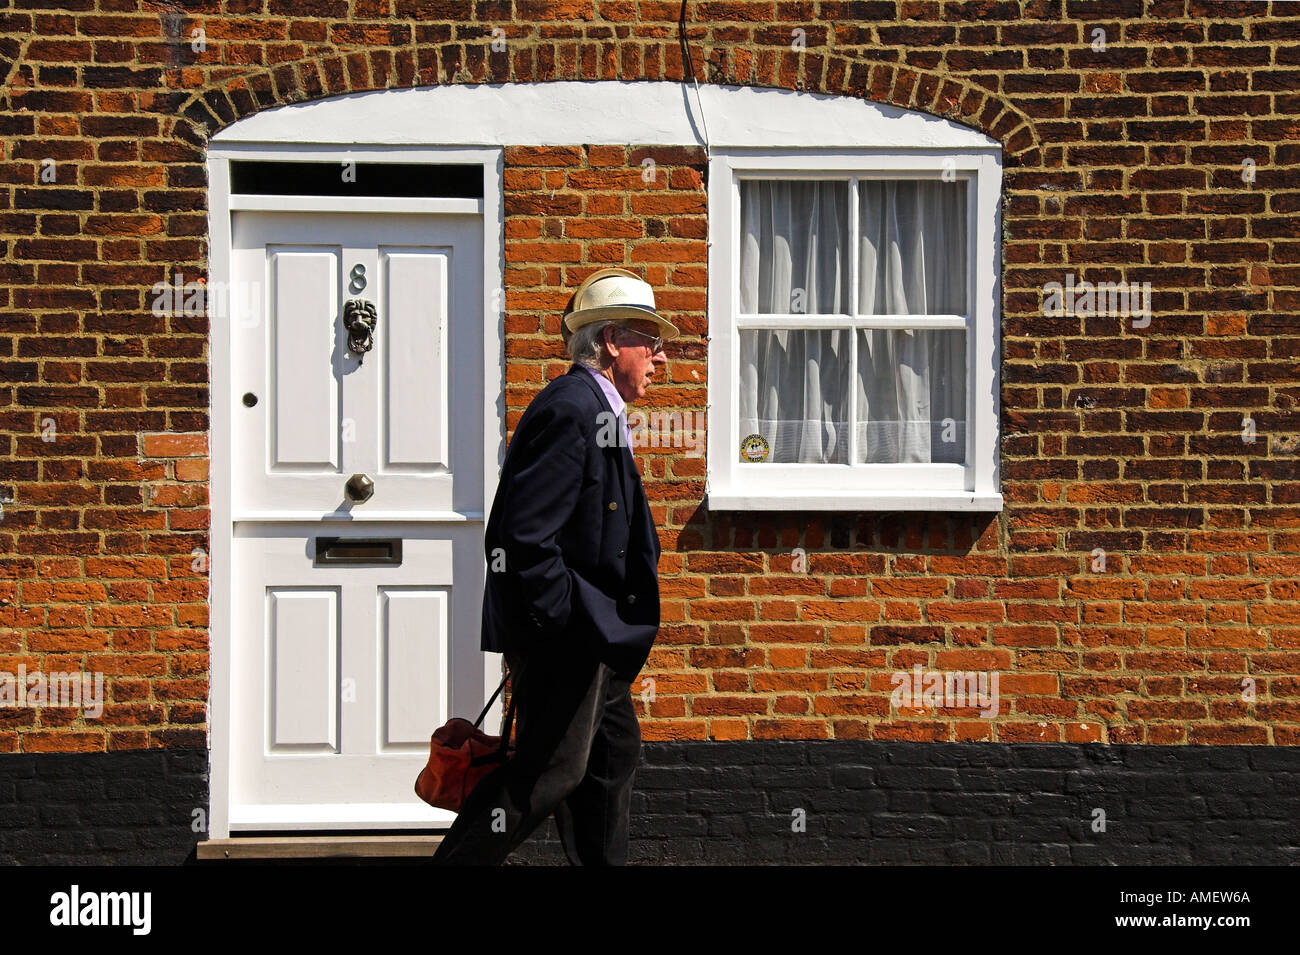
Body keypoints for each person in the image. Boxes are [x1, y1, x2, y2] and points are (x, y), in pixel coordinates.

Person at [429, 267, 676, 865]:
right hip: (572, 637)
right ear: (613, 340)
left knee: (611, 759)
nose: (661, 356)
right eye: (650, 340)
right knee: (545, 776)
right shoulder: (572, 408)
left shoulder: (596, 407)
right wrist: (564, 626)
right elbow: (526, 538)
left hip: (598, 635)